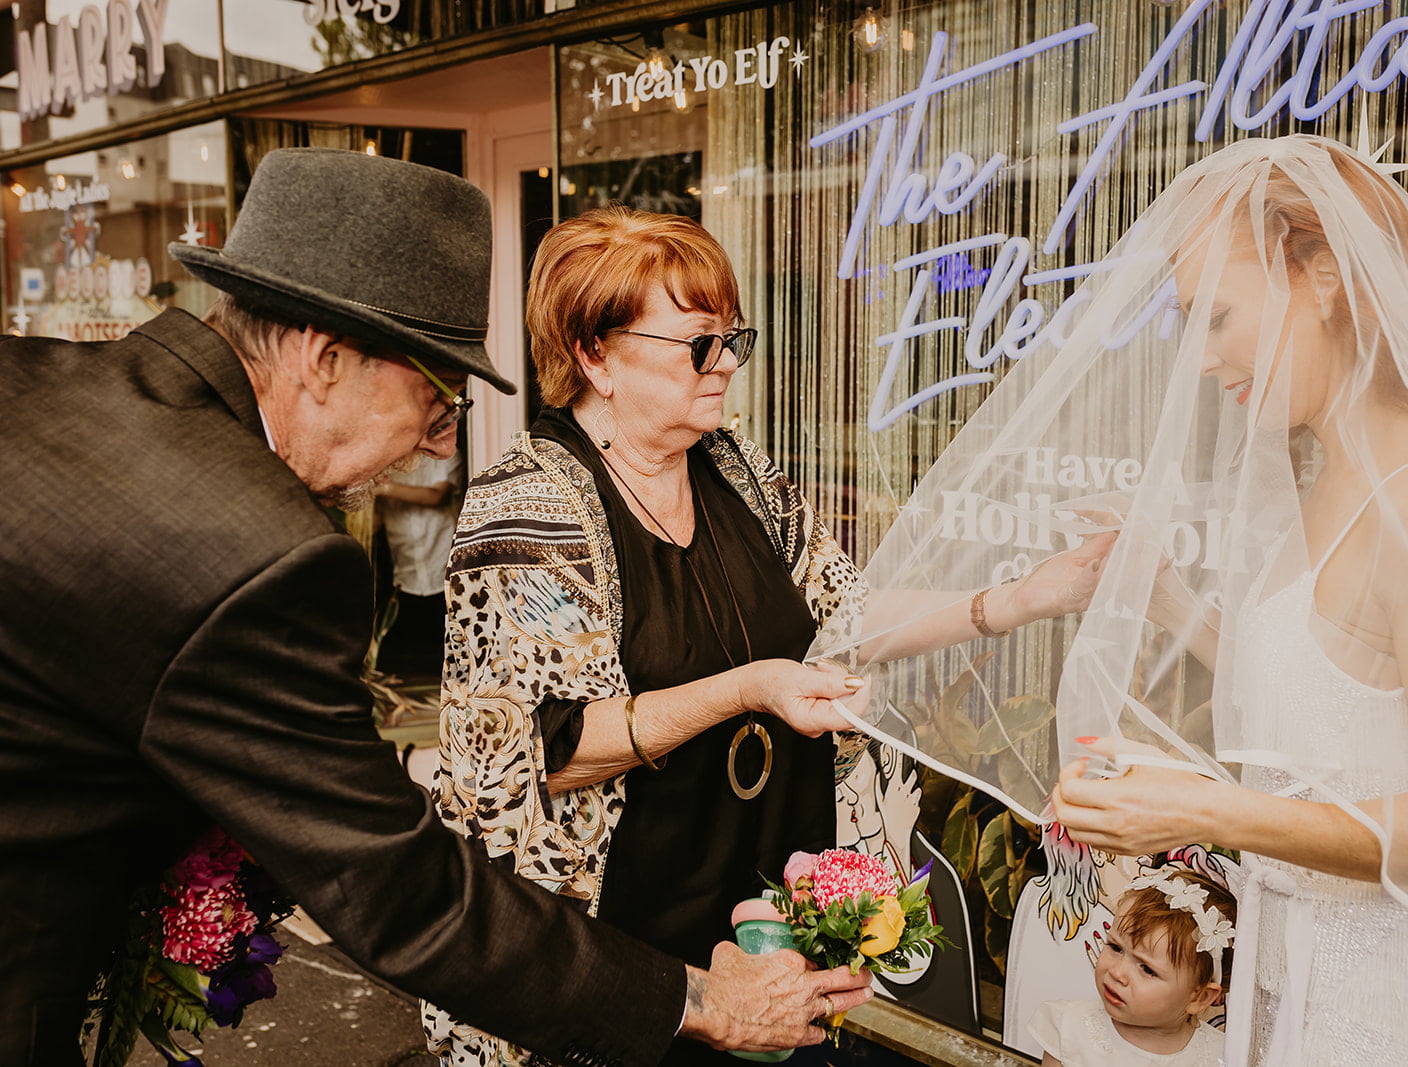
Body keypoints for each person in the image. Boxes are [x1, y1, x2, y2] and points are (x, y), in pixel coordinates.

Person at [0, 148, 870, 1067]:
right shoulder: (262, 557)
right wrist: (700, 1000)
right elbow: (405, 890)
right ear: (326, 358)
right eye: (435, 395)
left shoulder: (33, 383)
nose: (432, 441)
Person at [813, 134, 1408, 1065]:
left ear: (1321, 279)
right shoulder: (1335, 474)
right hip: (1298, 986)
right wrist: (1166, 601)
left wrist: (1206, 813)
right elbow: (1343, 698)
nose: (1199, 360)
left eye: (1218, 316)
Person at [424, 205, 1106, 1065]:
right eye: (696, 345)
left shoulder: (734, 466)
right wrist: (748, 686)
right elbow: (547, 750)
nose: (725, 367)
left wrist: (1019, 598)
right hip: (626, 946)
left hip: (762, 927)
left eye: (729, 339)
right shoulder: (529, 503)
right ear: (595, 354)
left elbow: (844, 614)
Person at [1029, 869, 1233, 1066]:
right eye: (1115, 947)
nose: (1117, 973)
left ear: (1199, 997)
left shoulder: (1221, 1058)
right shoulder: (1070, 1030)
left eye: (1147, 969)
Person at [374, 450, 463, 680]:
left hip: (443, 569)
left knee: (449, 659)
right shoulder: (385, 460)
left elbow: (437, 496)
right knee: (404, 666)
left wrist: (384, 488)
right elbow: (375, 522)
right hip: (404, 571)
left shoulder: (444, 455)